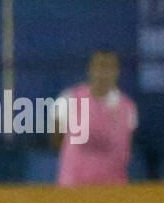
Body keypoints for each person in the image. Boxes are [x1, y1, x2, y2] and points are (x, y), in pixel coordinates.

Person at [51, 50, 138, 186]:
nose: (103, 73)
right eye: (99, 66)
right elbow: (56, 139)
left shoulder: (128, 107)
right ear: (90, 70)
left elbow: (126, 145)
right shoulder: (68, 98)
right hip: (74, 187)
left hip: (113, 187)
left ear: (117, 72)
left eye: (108, 68)